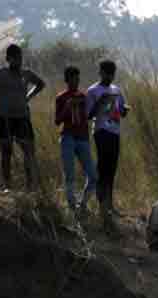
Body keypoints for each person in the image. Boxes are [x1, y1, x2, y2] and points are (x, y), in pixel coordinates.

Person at [0, 44, 45, 191]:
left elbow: (40, 84)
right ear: (8, 59)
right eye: (16, 58)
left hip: (22, 117)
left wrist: (28, 96)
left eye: (20, 58)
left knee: (29, 151)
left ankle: (30, 187)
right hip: (3, 117)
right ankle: (7, 186)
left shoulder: (26, 73)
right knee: (6, 151)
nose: (19, 61)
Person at [86, 59, 129, 232]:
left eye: (113, 73)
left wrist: (124, 110)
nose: (110, 77)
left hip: (114, 131)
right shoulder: (93, 91)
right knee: (103, 166)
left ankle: (109, 205)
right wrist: (100, 103)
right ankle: (101, 205)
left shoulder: (116, 90)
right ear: (101, 72)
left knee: (112, 167)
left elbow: (121, 109)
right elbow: (89, 115)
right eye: (107, 73)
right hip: (101, 130)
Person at [54, 66, 96, 213]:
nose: (76, 81)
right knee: (70, 174)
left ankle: (83, 204)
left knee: (93, 176)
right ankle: (72, 206)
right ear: (67, 80)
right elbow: (57, 121)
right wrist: (67, 107)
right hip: (68, 138)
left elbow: (89, 116)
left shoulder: (84, 97)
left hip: (83, 138)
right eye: (73, 78)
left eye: (78, 78)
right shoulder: (61, 97)